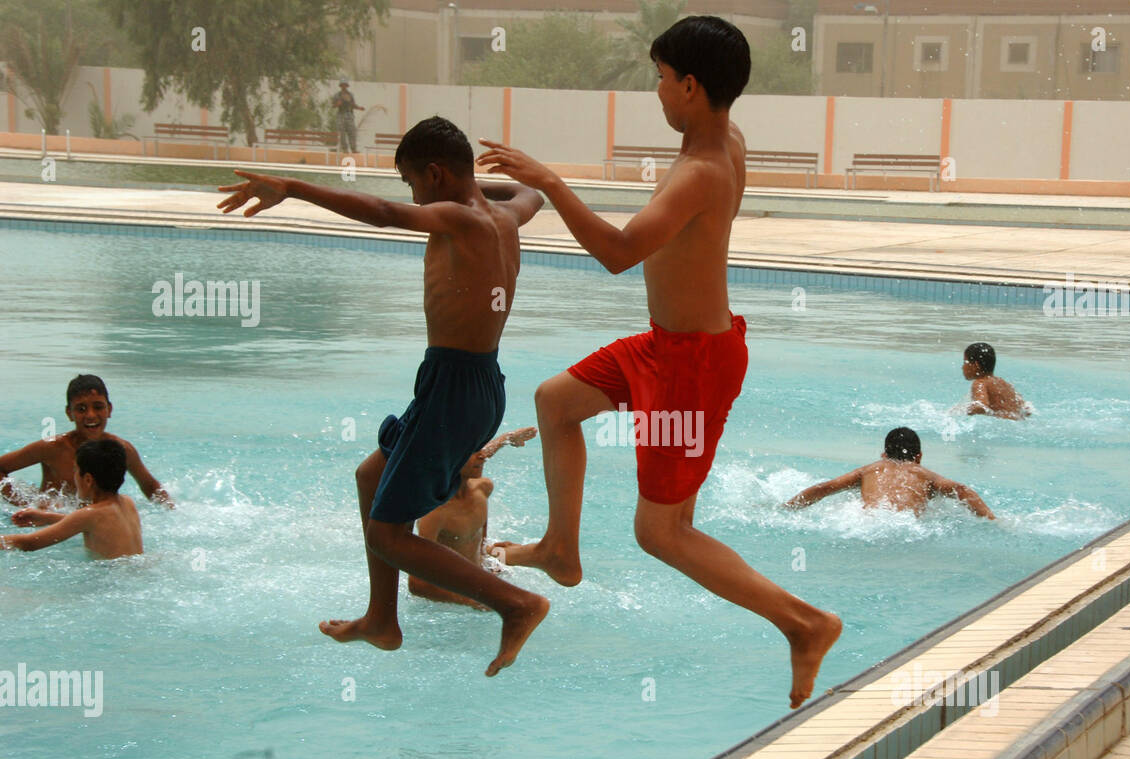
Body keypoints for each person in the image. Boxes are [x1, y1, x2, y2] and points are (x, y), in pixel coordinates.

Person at [477, 16, 841, 708]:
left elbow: (618, 254)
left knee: (661, 532)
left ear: (693, 86)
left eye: (663, 78)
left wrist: (550, 183)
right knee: (556, 401)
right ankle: (561, 548)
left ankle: (804, 623)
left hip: (690, 369)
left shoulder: (703, 170)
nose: (657, 90)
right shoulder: (727, 138)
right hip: (667, 345)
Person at [217, 116, 550, 675]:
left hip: (452, 388)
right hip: (471, 382)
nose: (413, 197)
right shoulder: (504, 213)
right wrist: (469, 184)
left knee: (387, 535)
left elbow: (389, 214)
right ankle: (382, 619)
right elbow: (532, 191)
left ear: (436, 175)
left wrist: (294, 187)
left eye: (414, 182)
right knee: (370, 478)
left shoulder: (456, 217)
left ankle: (515, 604)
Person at [409, 426, 537, 608]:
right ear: (449, 460)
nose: (483, 456)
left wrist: (506, 439)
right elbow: (417, 585)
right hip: (449, 595)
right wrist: (471, 600)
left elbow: (472, 455)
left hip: (479, 573)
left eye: (480, 450)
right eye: (474, 452)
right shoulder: (436, 513)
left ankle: (493, 551)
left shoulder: (483, 488)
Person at [0, 374, 172, 508]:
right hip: (50, 524)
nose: (90, 415)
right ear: (69, 413)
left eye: (98, 407)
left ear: (109, 409)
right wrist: (25, 504)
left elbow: (151, 487)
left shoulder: (120, 450)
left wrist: (173, 513)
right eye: (81, 409)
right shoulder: (52, 447)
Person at [785, 427, 995, 519]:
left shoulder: (869, 470)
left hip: (868, 522)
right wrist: (992, 519)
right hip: (905, 525)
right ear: (919, 456)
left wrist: (787, 508)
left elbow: (824, 488)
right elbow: (961, 489)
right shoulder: (925, 475)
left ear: (884, 455)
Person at [1, 440, 143, 559]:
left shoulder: (90, 514)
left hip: (112, 582)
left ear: (88, 479)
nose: (74, 476)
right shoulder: (127, 502)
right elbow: (91, 523)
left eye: (75, 470)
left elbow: (28, 543)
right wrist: (47, 517)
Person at [963, 343, 1028, 419]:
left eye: (965, 362)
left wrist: (965, 413)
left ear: (975, 365)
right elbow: (1025, 409)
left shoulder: (979, 383)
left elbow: (980, 406)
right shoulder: (1004, 384)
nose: (962, 367)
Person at [331, 79, 363, 154]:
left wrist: (359, 108)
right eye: (342, 85)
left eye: (345, 85)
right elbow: (333, 105)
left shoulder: (350, 95)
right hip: (341, 115)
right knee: (342, 133)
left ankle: (353, 149)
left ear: (347, 86)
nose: (344, 86)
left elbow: (353, 104)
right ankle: (345, 149)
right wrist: (337, 104)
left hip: (349, 115)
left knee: (352, 133)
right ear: (340, 86)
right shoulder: (337, 95)